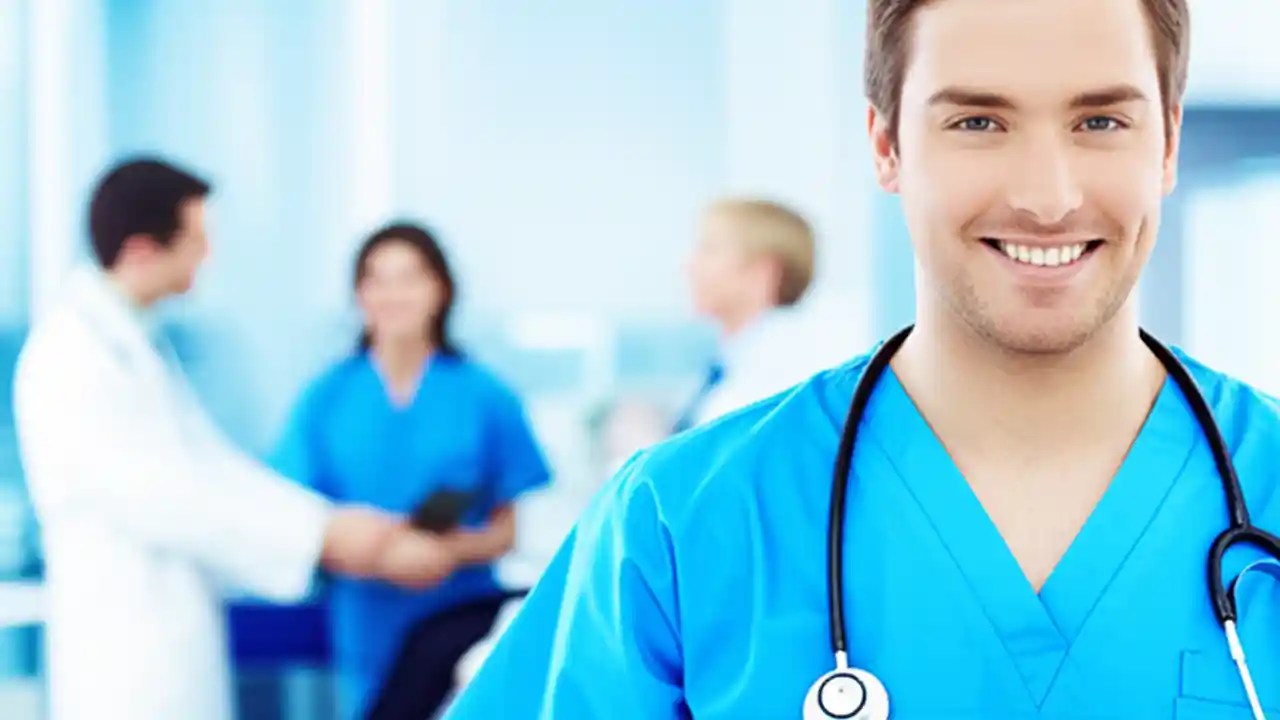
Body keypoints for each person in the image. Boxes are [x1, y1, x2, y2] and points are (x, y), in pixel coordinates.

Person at [442, 0, 1280, 717]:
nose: (1046, 196)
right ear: (886, 145)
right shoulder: (678, 526)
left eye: (1100, 122)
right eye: (977, 122)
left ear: (1167, 143)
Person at [12, 158, 457, 720]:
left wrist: (330, 525)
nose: (207, 256)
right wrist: (324, 535)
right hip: (123, 651)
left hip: (169, 636)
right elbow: (170, 497)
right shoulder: (73, 357)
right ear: (143, 250)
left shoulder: (136, 348)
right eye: (196, 240)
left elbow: (209, 468)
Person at [273, 222, 551, 719]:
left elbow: (506, 531)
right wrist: (384, 556)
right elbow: (296, 517)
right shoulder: (326, 397)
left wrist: (443, 552)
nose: (393, 295)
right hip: (364, 622)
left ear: (441, 290)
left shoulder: (485, 396)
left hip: (460, 621)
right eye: (377, 280)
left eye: (409, 278)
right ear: (359, 294)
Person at [671, 197, 825, 432]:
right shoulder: (733, 360)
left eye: (709, 250)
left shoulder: (780, 372)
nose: (690, 267)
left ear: (763, 272)